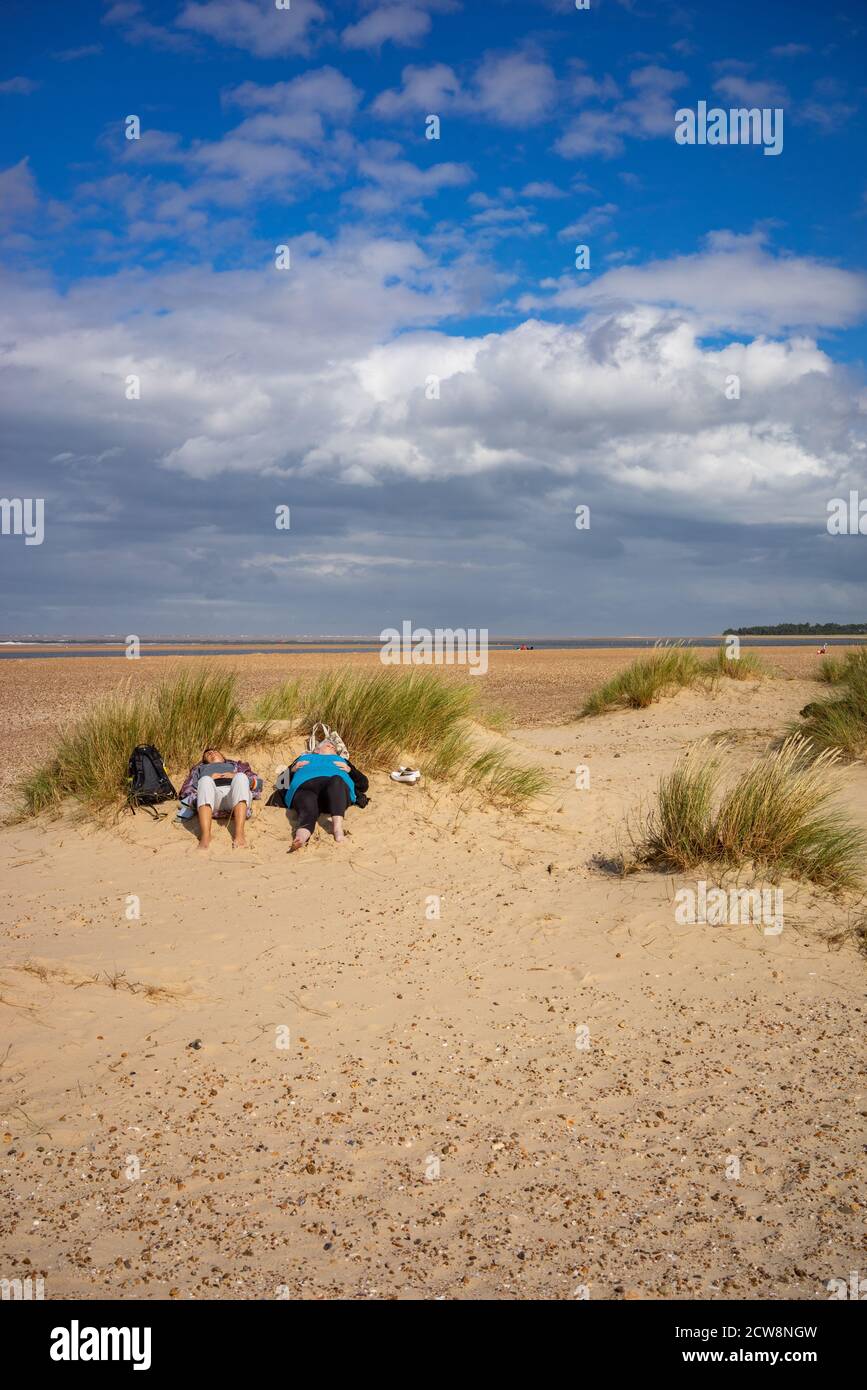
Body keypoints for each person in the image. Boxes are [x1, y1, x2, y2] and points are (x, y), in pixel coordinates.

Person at [284, 740, 368, 851]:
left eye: (334, 747)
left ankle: (337, 829)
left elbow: (363, 785)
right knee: (307, 803)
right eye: (329, 745)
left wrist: (350, 771)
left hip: (334, 791)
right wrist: (292, 770)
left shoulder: (342, 760)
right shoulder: (304, 757)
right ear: (316, 750)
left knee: (336, 780)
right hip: (304, 786)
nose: (333, 748)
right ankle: (301, 837)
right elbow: (281, 781)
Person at [179, 747, 262, 850]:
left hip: (234, 796)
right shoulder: (200, 769)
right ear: (205, 761)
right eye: (208, 754)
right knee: (205, 780)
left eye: (215, 752)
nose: (212, 754)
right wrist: (211, 778)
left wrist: (234, 775)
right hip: (213, 799)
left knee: (241, 776)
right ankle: (206, 836)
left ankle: (240, 835)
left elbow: (258, 784)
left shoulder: (236, 766)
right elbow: (187, 790)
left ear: (223, 757)